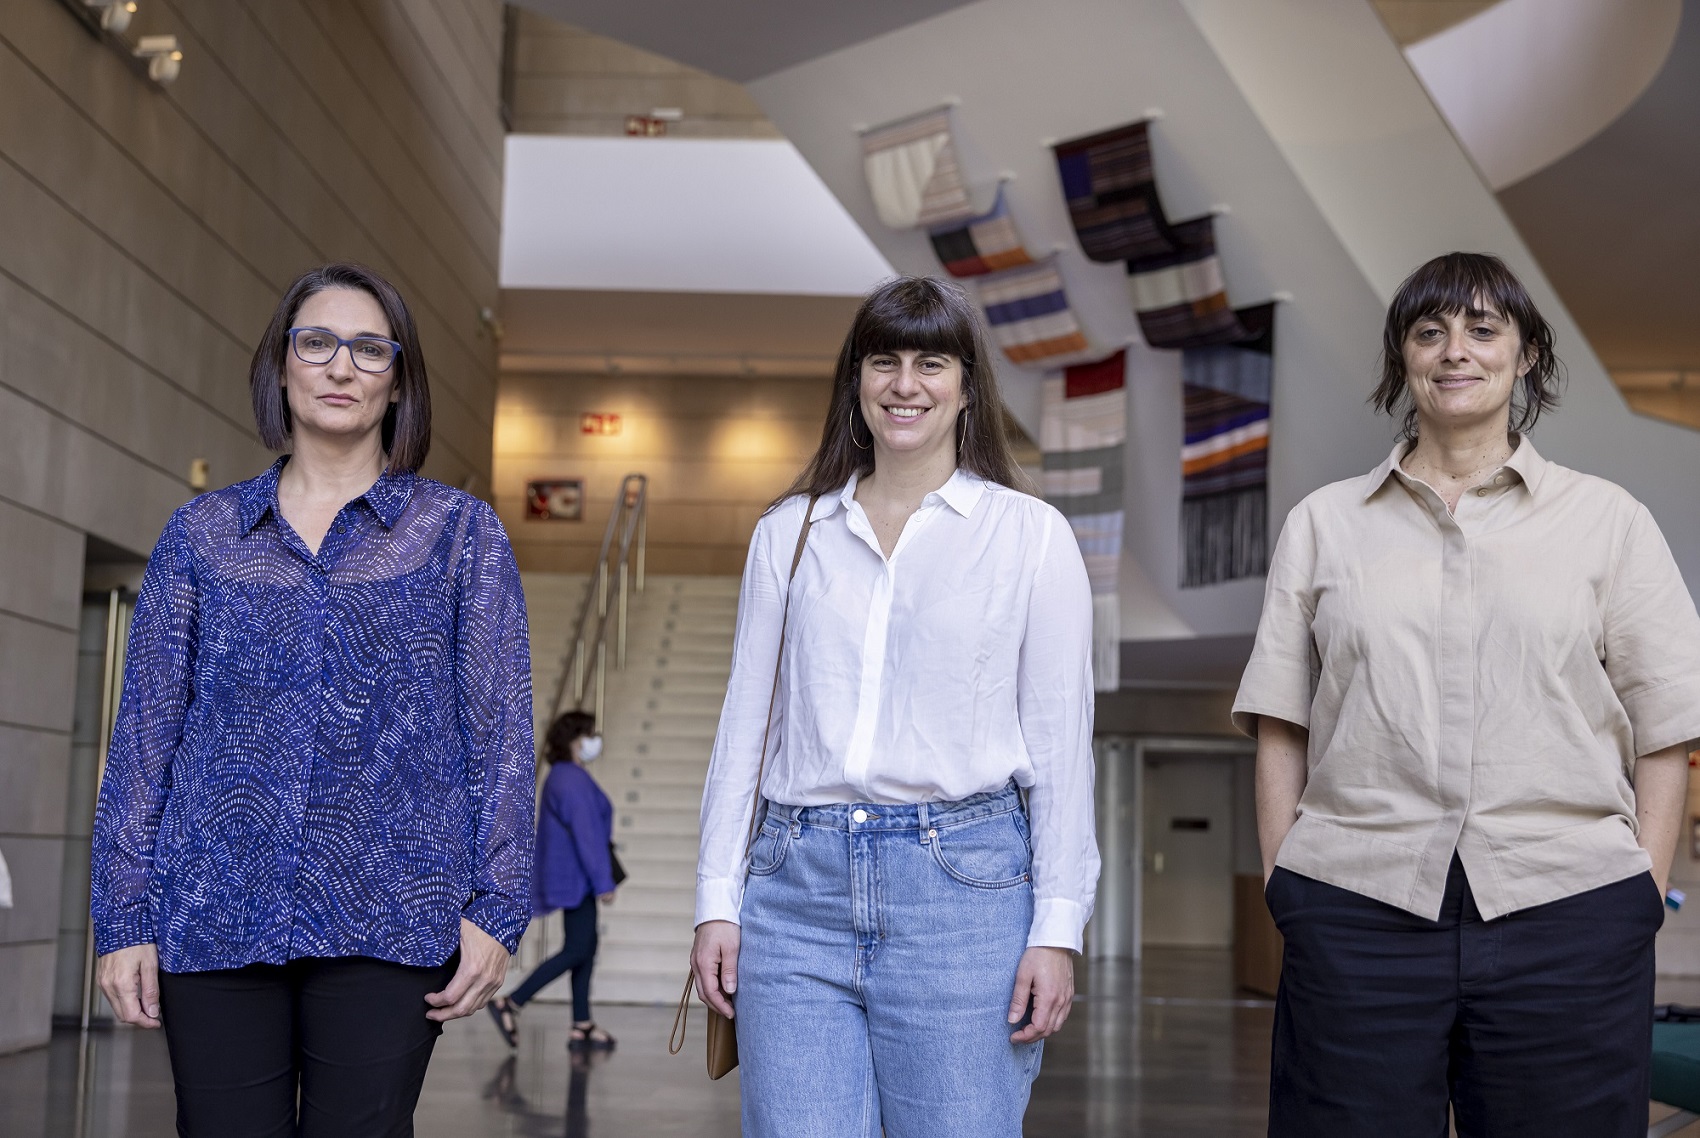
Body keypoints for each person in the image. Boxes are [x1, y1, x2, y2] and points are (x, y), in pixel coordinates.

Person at [1235, 252, 1700, 1137]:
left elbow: (1667, 724)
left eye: (1483, 329)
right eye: (1430, 331)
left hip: (1568, 910)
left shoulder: (1610, 523)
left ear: (1525, 357)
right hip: (1356, 907)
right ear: (1403, 357)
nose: (1457, 350)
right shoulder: (1324, 525)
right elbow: (1281, 724)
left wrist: (1643, 887)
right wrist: (1285, 882)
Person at [90, 262, 535, 1137]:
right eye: (317, 342)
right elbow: (144, 740)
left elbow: (503, 737)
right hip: (214, 910)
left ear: (397, 379)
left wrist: (498, 910)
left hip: (393, 914)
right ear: (282, 365)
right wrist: (122, 917)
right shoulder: (204, 535)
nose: (341, 367)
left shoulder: (457, 535)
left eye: (370, 349)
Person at [689, 275, 1100, 1137]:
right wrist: (716, 900)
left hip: (965, 890)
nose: (905, 384)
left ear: (966, 388)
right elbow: (744, 733)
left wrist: (1058, 926)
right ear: (857, 381)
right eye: (884, 361)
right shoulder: (789, 532)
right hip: (793, 888)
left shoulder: (1029, 535)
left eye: (930, 362)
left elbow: (1063, 747)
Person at [488, 710, 618, 1050]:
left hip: (574, 876)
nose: (594, 741)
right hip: (577, 878)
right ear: (575, 739)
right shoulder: (570, 779)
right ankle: (511, 1002)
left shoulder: (565, 775)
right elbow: (587, 834)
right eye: (589, 734)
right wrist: (603, 880)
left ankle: (582, 1024)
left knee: (586, 948)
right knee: (578, 948)